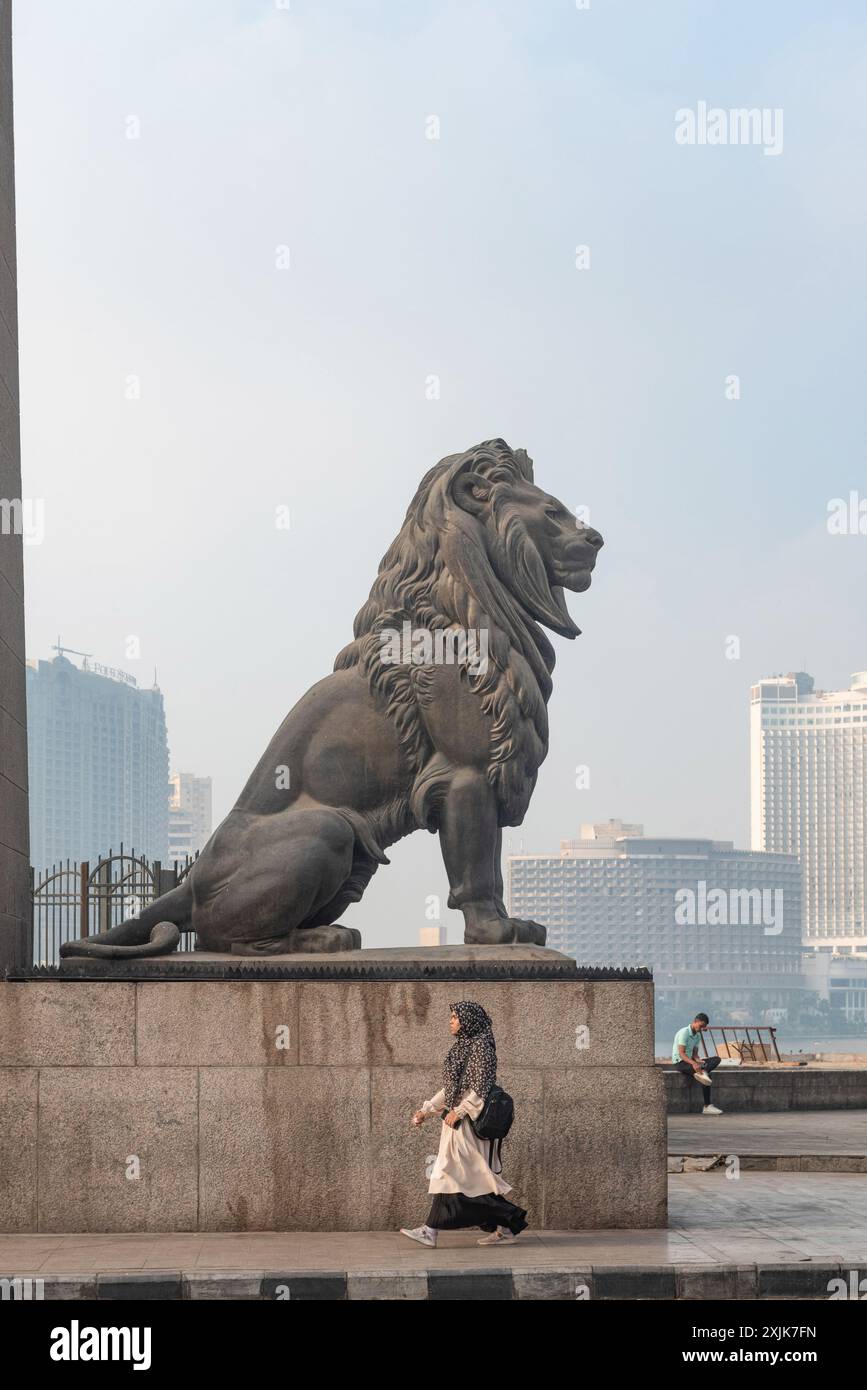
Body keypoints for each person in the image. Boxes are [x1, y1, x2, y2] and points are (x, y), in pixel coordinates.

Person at [400, 1000, 528, 1248]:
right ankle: (507, 1224)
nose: (451, 1021)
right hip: (455, 1124)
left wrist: (459, 1111)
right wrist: (426, 1110)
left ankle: (430, 1231)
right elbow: (452, 1089)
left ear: (468, 1020)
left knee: (455, 1174)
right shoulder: (464, 1046)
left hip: (467, 1126)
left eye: (455, 1017)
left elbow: (481, 1086)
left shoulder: (481, 1047)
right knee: (471, 1180)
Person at [673, 1012, 722, 1114]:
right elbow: (681, 1053)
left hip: (691, 1061)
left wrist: (698, 1060)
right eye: (701, 1026)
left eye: (704, 1027)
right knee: (705, 1076)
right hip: (681, 1062)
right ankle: (707, 1106)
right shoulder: (684, 1032)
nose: (702, 1029)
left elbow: (695, 1054)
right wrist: (694, 1064)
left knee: (717, 1059)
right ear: (695, 1022)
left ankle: (703, 1070)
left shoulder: (697, 1036)